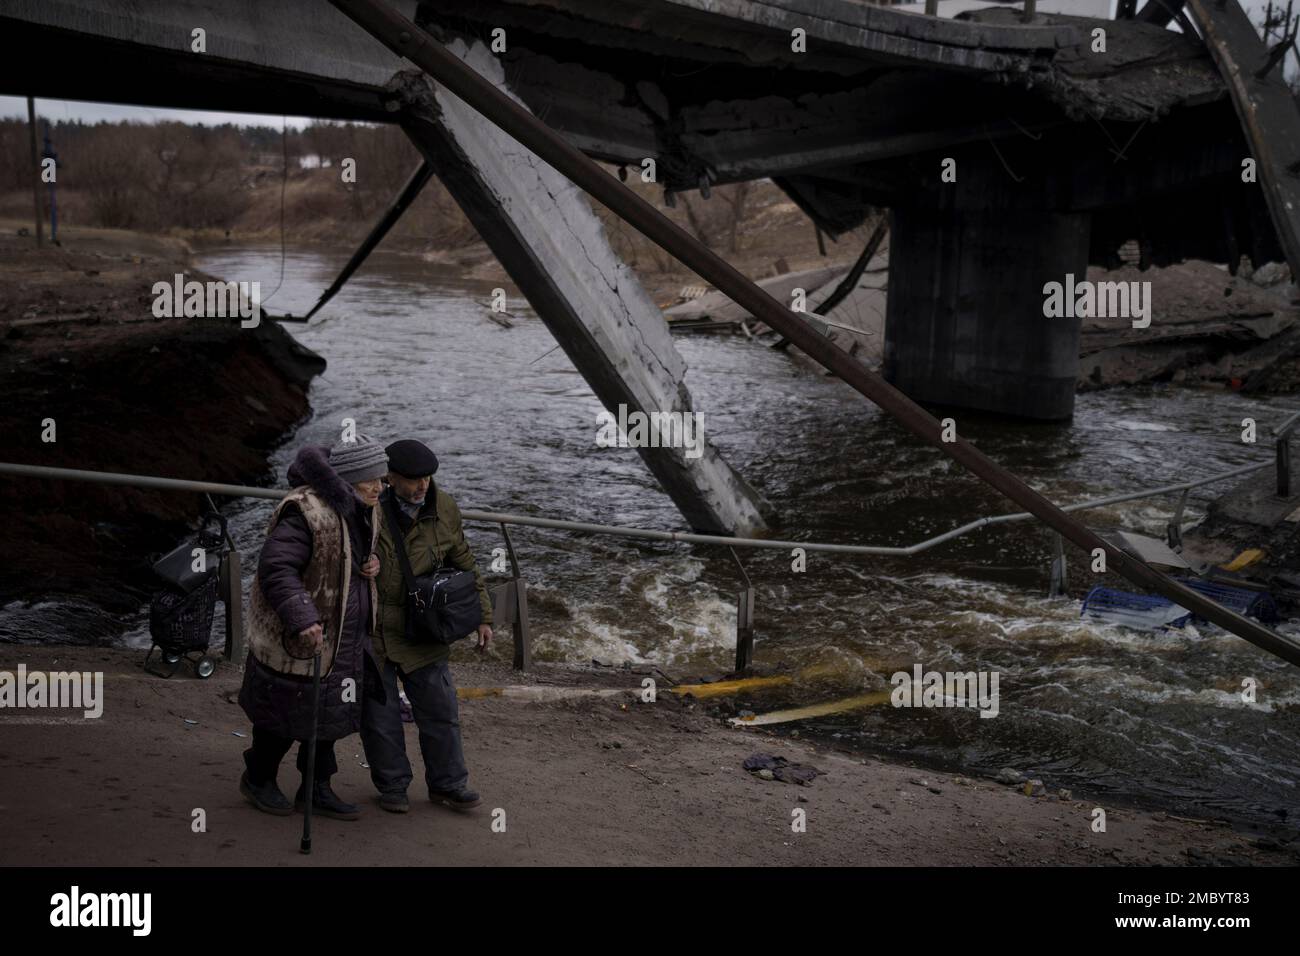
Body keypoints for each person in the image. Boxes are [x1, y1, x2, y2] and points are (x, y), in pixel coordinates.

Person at [238, 434, 388, 821]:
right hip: (302, 635)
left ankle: (317, 787)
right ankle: (258, 778)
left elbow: (351, 554)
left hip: (346, 634)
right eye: (371, 478)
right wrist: (302, 618)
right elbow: (276, 568)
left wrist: (372, 563)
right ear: (349, 477)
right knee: (283, 715)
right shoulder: (305, 510)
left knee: (332, 716)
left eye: (382, 478)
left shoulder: (366, 506)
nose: (379, 486)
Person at [361, 438, 493, 814]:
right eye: (414, 479)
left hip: (424, 626)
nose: (423, 486)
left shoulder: (445, 507)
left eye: (428, 477)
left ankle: (449, 785)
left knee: (440, 709)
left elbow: (466, 564)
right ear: (390, 477)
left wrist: (482, 616)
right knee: (379, 717)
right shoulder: (368, 506)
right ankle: (392, 787)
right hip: (375, 629)